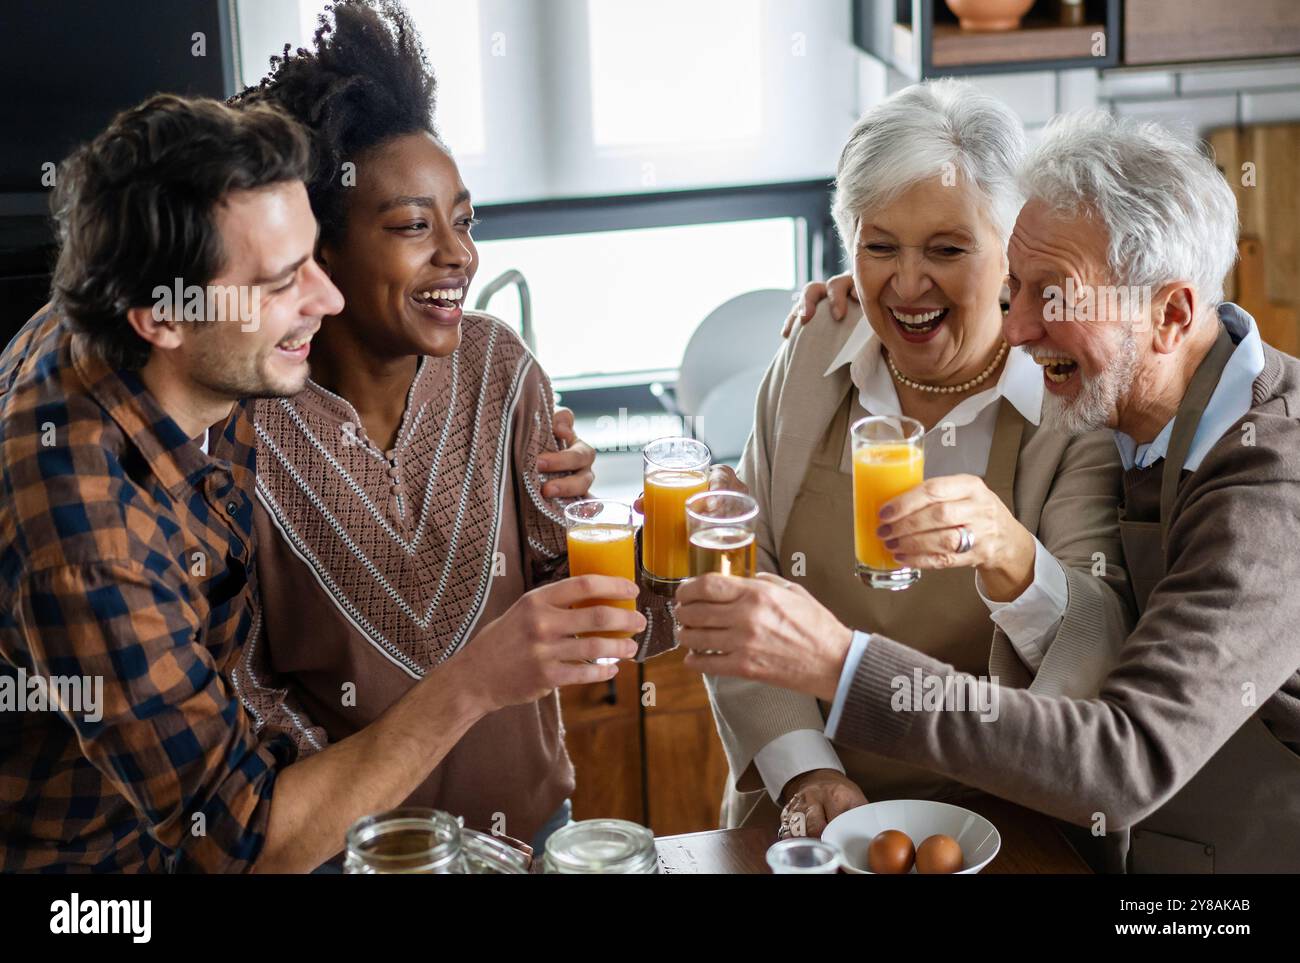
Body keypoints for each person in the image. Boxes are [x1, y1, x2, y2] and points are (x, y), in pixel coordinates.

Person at [0, 92, 642, 873]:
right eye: (283, 282)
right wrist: (475, 680)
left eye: (314, 254)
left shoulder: (167, 332)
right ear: (161, 320)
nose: (327, 298)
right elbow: (243, 844)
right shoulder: (91, 539)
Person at [680, 109, 1300, 872]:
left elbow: (1119, 756)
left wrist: (844, 664)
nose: (1016, 330)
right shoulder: (1125, 395)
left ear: (1170, 314)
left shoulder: (1263, 478)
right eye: (1016, 287)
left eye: (1051, 293)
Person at [230, 0, 677, 856]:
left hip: (536, 839)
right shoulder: (244, 431)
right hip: (350, 858)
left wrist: (668, 568)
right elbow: (254, 730)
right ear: (319, 250)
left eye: (464, 221)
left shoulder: (503, 371)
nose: (458, 253)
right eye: (412, 226)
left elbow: (604, 621)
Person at [702, 80, 1133, 839]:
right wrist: (807, 769)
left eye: (946, 248)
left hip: (997, 811)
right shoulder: (811, 350)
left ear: (1011, 253)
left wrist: (1011, 553)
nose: (906, 284)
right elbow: (745, 574)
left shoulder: (1066, 396)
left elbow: (1097, 633)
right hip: (803, 802)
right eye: (879, 247)